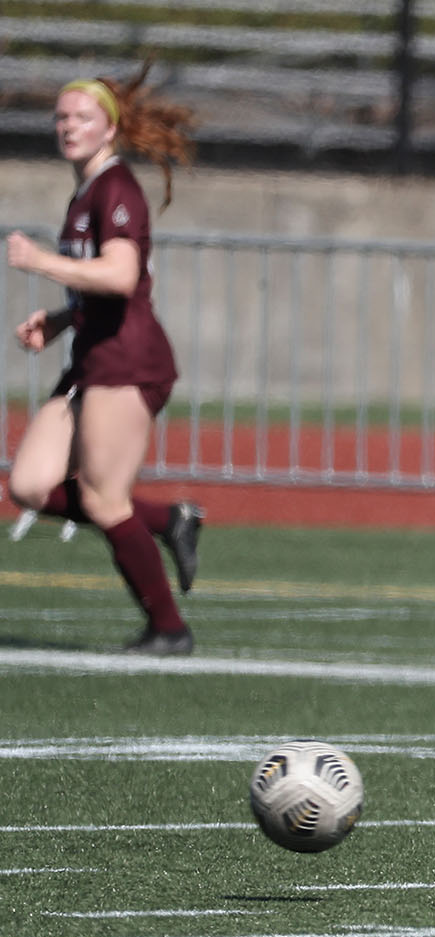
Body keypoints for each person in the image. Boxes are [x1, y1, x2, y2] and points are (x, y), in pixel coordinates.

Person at [6, 66, 203, 655]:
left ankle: (169, 628)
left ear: (110, 128)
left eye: (82, 117)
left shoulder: (116, 187)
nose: (68, 126)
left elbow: (121, 276)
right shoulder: (85, 191)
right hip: (91, 355)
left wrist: (40, 262)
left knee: (102, 499)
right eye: (61, 117)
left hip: (128, 360)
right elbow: (102, 286)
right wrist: (61, 319)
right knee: (29, 484)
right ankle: (167, 521)